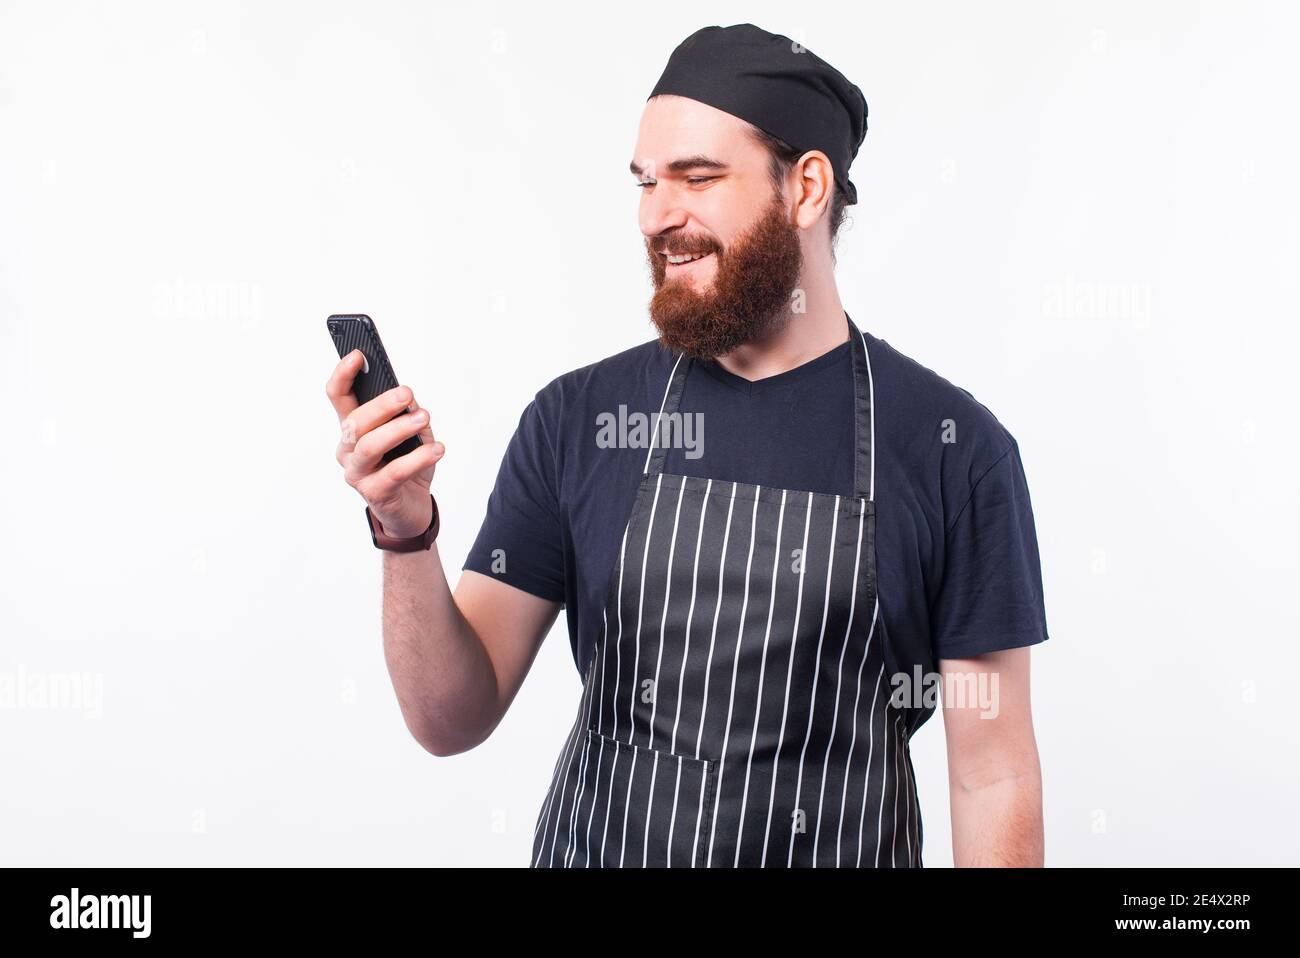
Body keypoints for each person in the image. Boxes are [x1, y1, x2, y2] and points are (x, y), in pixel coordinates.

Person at [324, 23, 1050, 868]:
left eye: (697, 178)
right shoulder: (578, 418)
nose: (656, 216)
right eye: (645, 182)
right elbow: (450, 718)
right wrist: (405, 528)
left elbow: (991, 778)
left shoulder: (953, 450)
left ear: (806, 187)